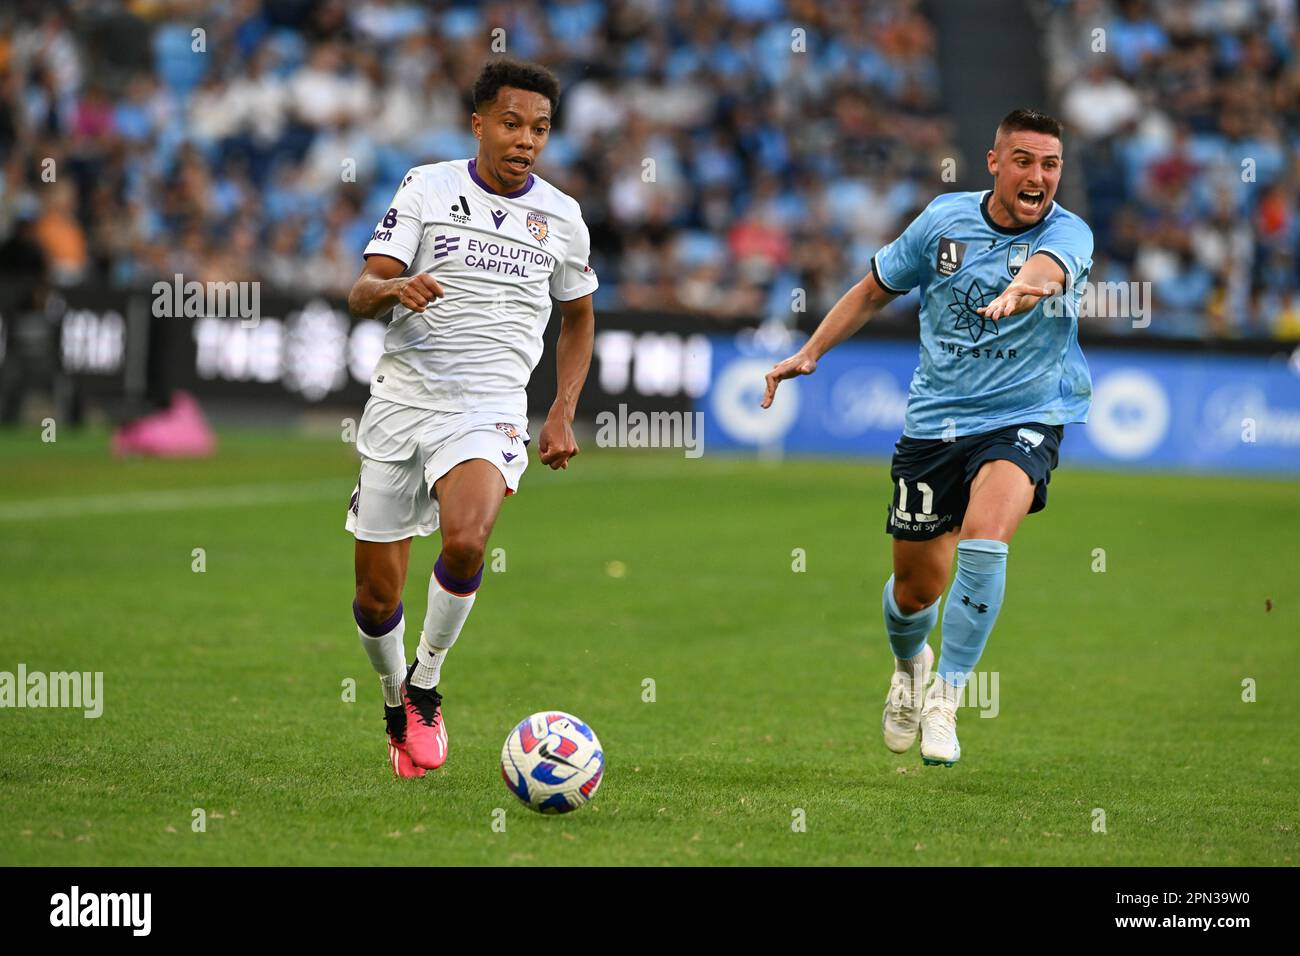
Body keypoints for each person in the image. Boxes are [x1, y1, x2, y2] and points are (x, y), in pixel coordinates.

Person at [761, 109, 1094, 767]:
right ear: (994, 163)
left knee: (986, 536)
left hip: (1024, 414)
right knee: (915, 592)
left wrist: (1022, 290)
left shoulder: (1069, 232)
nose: (1038, 176)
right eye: (1023, 160)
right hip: (935, 423)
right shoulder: (943, 221)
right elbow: (873, 289)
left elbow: (1048, 272)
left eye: (1050, 164)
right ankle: (912, 667)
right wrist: (810, 352)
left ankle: (946, 700)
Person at [345, 58, 598, 778]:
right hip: (402, 402)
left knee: (466, 539)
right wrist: (395, 288)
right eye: (513, 123)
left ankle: (427, 683)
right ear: (479, 122)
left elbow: (578, 320)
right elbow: (360, 290)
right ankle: (394, 697)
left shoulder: (562, 218)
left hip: (488, 408)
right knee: (375, 594)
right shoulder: (428, 186)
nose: (526, 139)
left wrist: (561, 411)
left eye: (541, 129)